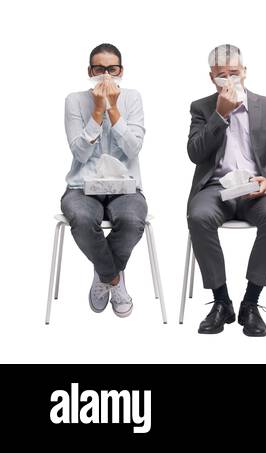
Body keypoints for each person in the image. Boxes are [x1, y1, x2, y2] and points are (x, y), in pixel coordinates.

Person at [186, 44, 266, 337]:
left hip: (255, 187)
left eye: (234, 73)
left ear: (244, 72)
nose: (229, 80)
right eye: (222, 76)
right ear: (212, 78)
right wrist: (219, 115)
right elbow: (195, 153)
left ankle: (251, 303)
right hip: (216, 188)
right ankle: (221, 302)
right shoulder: (202, 107)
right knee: (198, 217)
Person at [61, 43, 147, 318]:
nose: (106, 75)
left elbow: (134, 149)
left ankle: (102, 274)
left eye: (112, 69)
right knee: (82, 219)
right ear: (90, 71)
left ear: (121, 71)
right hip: (82, 186)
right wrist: (97, 110)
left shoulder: (132, 98)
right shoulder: (74, 100)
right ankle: (113, 278)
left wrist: (113, 110)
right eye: (100, 69)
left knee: (133, 220)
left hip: (126, 186)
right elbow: (79, 152)